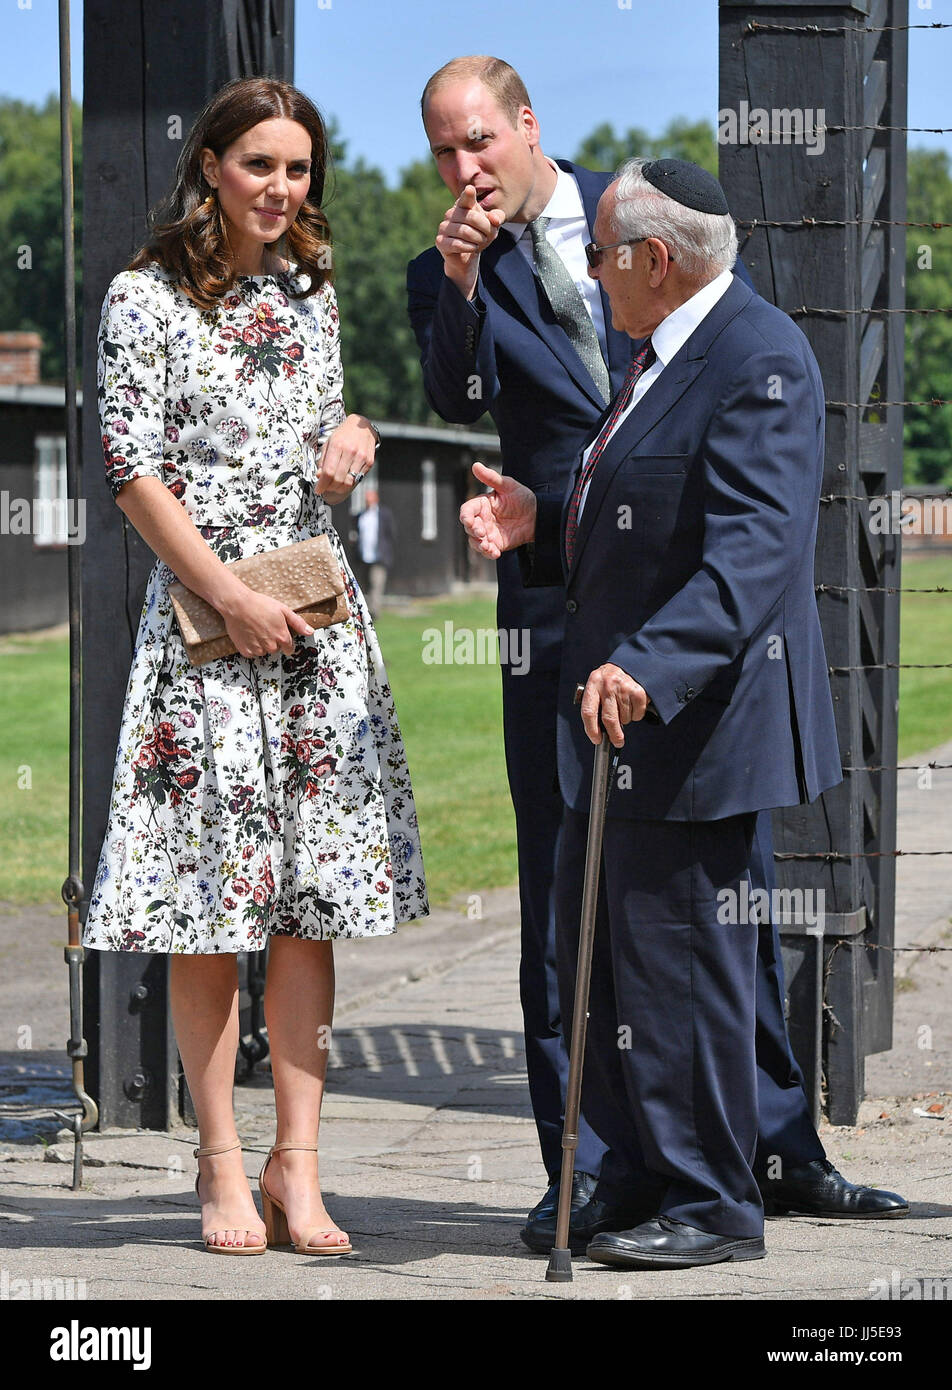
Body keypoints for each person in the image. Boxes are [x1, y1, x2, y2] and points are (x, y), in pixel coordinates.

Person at [407, 55, 907, 1253]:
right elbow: (471, 395)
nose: (464, 169)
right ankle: (602, 1164)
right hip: (567, 612)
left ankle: (743, 1165)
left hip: (682, 662)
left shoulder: (704, 303)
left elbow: (743, 535)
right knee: (587, 914)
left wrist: (655, 651)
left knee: (700, 924)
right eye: (442, 153)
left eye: (479, 139)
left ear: (528, 126)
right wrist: (540, 512)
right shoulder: (468, 276)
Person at [82, 76, 428, 1256]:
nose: (283, 189)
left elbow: (324, 447)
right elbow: (130, 468)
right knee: (204, 907)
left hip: (315, 622)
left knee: (304, 908)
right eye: (261, 165)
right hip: (204, 632)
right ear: (211, 167)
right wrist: (224, 595)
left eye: (299, 170)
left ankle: (299, 1164)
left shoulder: (313, 289)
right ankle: (220, 1163)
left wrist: (353, 442)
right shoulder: (144, 296)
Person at [356, 486, 395, 619]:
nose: (368, 501)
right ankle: (366, 611)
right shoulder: (361, 515)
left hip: (379, 557)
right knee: (365, 586)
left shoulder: (383, 514)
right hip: (364, 557)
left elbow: (390, 534)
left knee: (376, 584)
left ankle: (375, 613)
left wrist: (386, 552)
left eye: (370, 498)